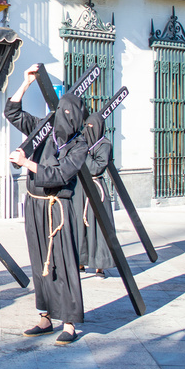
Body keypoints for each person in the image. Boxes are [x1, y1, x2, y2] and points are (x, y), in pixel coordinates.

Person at [4, 63, 88, 346]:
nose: (62, 118)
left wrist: (26, 162)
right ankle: (45, 316)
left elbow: (61, 174)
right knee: (40, 260)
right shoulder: (44, 129)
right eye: (60, 113)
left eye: (68, 114)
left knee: (63, 263)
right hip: (34, 204)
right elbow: (12, 113)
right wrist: (26, 83)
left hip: (58, 208)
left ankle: (70, 322)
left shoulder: (79, 145)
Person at [75, 113, 114, 278]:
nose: (89, 130)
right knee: (79, 226)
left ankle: (100, 265)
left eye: (93, 126)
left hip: (97, 190)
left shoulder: (105, 144)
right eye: (87, 126)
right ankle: (80, 261)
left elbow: (98, 167)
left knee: (99, 227)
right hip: (80, 189)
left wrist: (82, 156)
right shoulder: (81, 142)